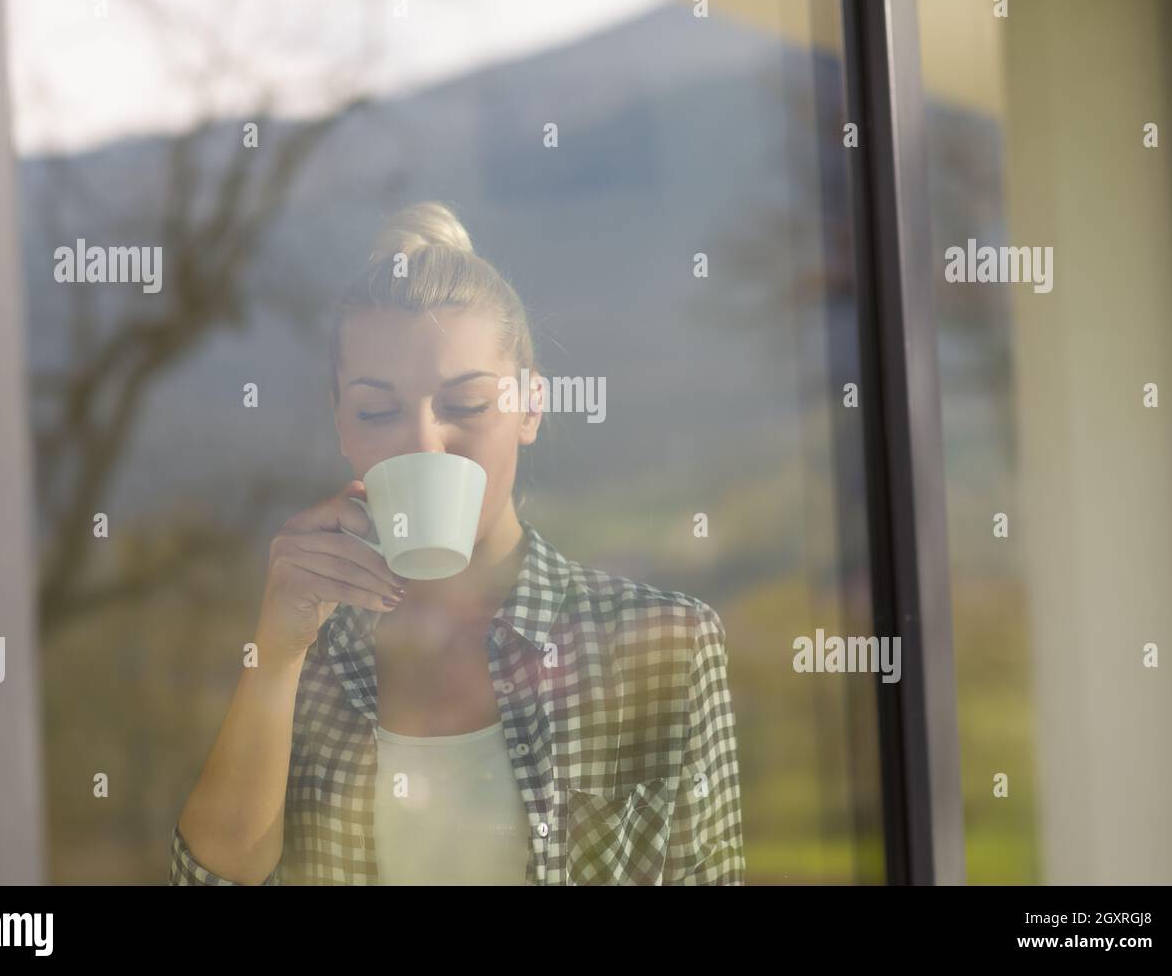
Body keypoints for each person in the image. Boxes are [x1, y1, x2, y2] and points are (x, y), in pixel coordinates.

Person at [169, 201, 744, 885]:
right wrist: (277, 652)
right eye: (378, 411)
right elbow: (210, 881)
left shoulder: (664, 646)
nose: (424, 442)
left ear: (531, 405)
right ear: (343, 427)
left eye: (466, 404)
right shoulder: (301, 652)